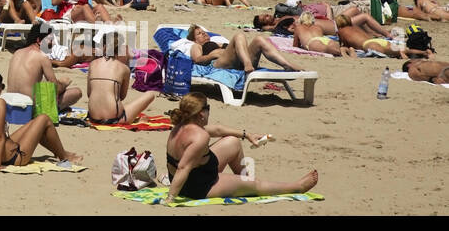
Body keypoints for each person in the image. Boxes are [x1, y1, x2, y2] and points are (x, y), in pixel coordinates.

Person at [165, 92, 316, 202]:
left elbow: (218, 130)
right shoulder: (200, 137)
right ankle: (296, 187)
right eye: (208, 107)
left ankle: (244, 183)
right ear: (201, 115)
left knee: (233, 142)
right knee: (256, 184)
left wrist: (247, 134)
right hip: (198, 187)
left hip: (195, 176)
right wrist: (171, 198)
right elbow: (183, 167)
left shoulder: (181, 127)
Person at [0, 69, 81, 171]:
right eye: (2, 86)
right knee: (44, 118)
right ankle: (64, 156)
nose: (2, 90)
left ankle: (60, 152)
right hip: (14, 158)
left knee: (36, 123)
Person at [7, 22, 81, 110]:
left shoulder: (17, 53)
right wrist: (64, 83)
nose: (53, 44)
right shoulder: (42, 56)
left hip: (10, 103)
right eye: (50, 40)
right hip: (29, 107)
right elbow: (56, 89)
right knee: (76, 92)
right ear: (39, 40)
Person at [182, 25, 302, 72]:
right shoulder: (196, 46)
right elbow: (197, 60)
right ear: (194, 39)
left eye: (204, 32)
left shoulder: (217, 41)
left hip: (237, 61)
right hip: (218, 63)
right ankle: (247, 63)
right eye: (199, 34)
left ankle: (286, 64)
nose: (203, 34)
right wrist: (211, 55)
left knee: (259, 39)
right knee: (239, 35)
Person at [86, 53, 156, 125]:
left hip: (93, 117)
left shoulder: (92, 64)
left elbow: (89, 94)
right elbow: (122, 96)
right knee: (150, 94)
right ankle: (136, 121)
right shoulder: (124, 68)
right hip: (116, 119)